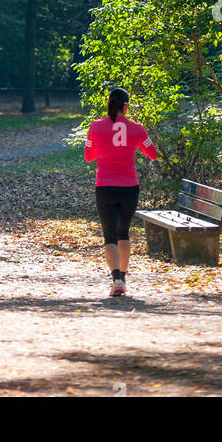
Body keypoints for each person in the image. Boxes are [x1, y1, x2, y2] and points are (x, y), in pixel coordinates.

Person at [85, 86, 158, 297]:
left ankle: (115, 278)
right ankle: (123, 279)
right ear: (126, 106)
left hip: (105, 187)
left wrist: (104, 146)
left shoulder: (96, 126)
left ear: (108, 104)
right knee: (123, 232)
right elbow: (152, 154)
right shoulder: (137, 129)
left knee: (109, 235)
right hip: (129, 188)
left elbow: (89, 157)